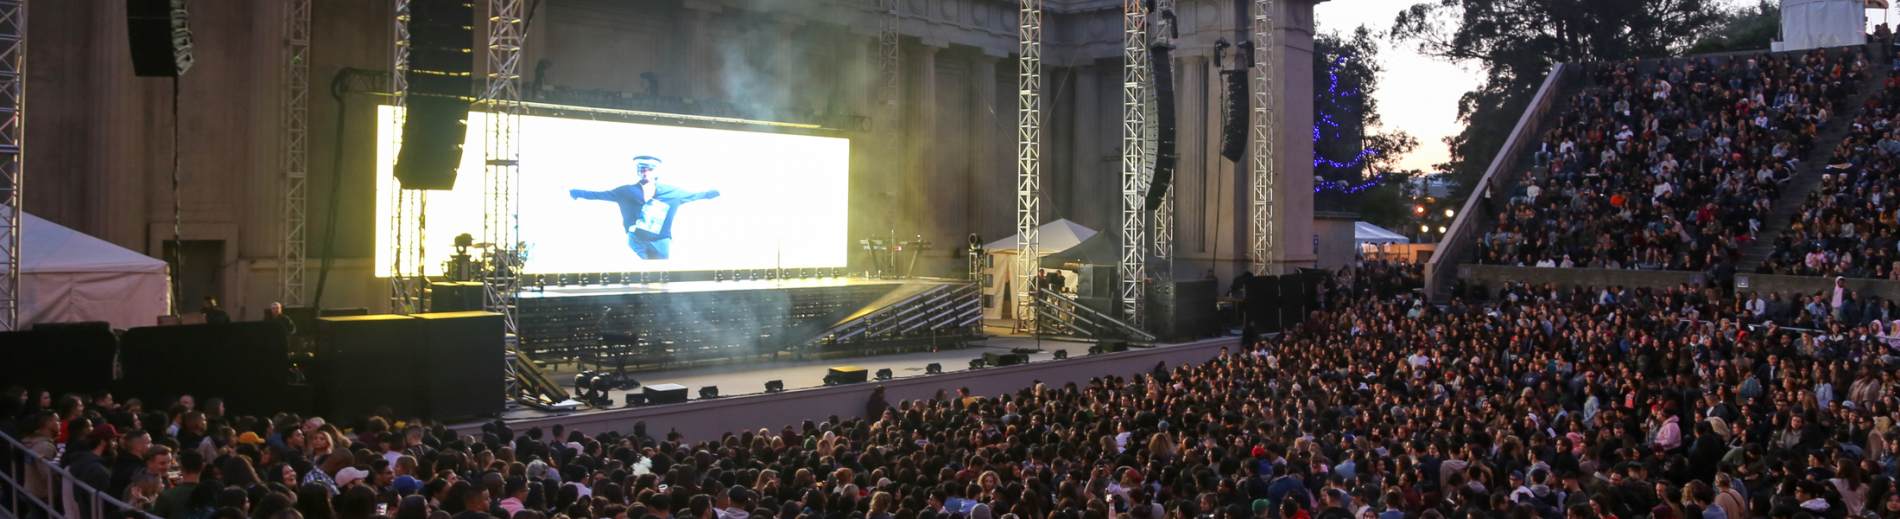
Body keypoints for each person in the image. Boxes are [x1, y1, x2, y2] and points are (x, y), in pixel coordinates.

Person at [569, 155, 722, 260]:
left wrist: (712, 193)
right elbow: (600, 195)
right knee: (647, 271)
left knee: (660, 272)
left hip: (661, 240)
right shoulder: (626, 191)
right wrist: (577, 192)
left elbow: (694, 195)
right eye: (641, 169)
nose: (644, 172)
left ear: (656, 171)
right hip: (637, 238)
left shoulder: (672, 192)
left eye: (648, 169)